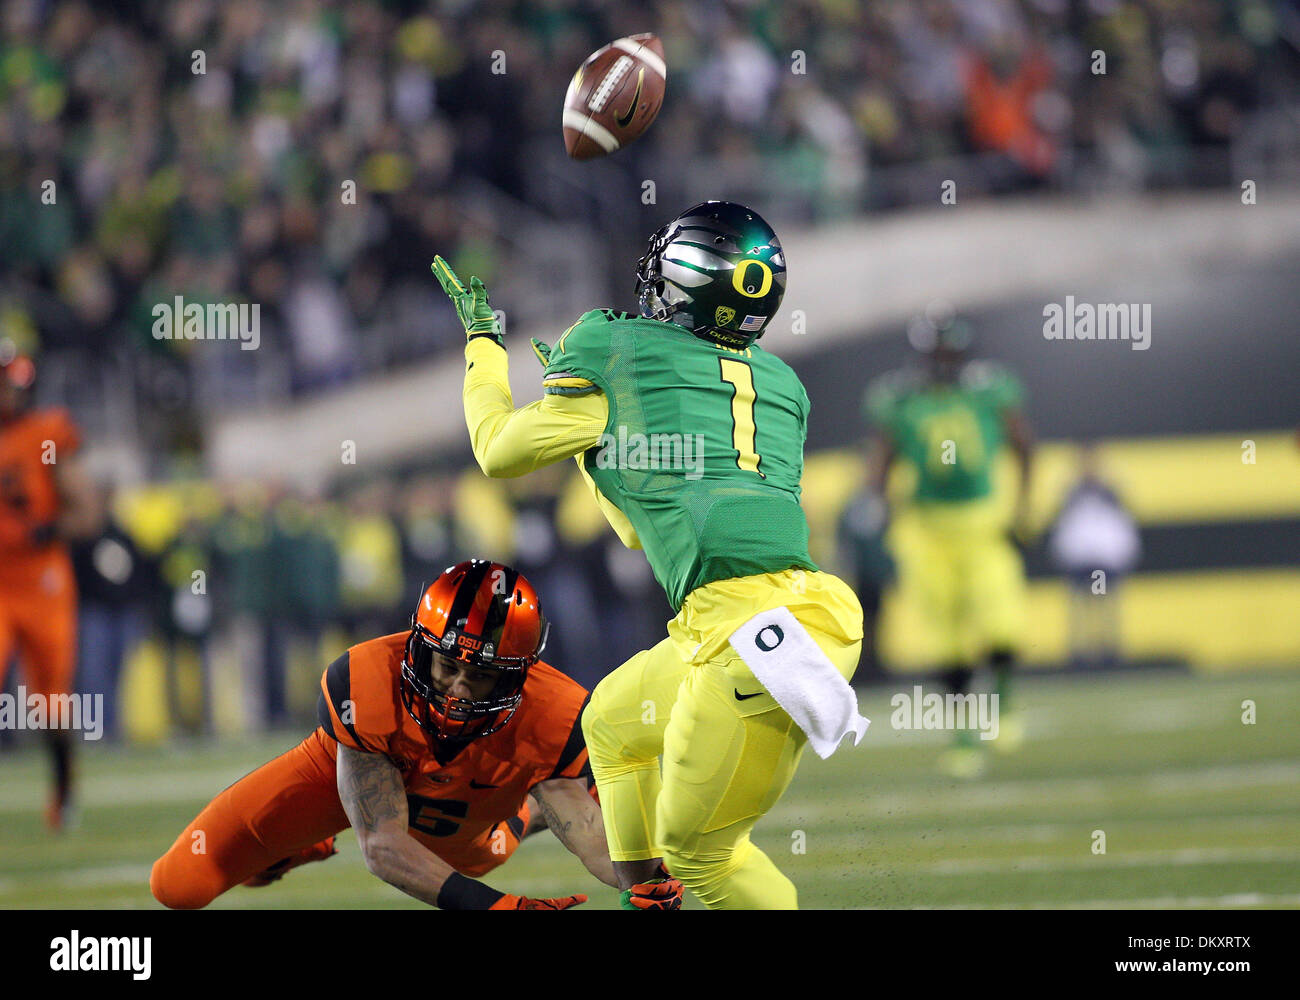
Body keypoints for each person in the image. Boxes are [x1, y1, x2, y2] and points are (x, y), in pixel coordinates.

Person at [435, 200, 868, 910]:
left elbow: (496, 450)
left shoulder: (617, 347)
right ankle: (647, 900)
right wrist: (596, 440)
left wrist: (483, 343)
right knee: (612, 724)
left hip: (755, 635)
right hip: (783, 612)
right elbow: (645, 521)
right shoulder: (782, 386)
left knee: (703, 851)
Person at [151, 560, 674, 910]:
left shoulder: (554, 710)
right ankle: (301, 842)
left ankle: (525, 810)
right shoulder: (367, 679)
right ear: (419, 646)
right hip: (347, 787)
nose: (460, 689)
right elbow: (382, 846)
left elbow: (586, 829)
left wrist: (644, 880)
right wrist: (494, 906)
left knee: (490, 844)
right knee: (177, 886)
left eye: (483, 675)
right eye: (447, 666)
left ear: (519, 674)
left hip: (462, 821)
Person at [864, 307, 1034, 777]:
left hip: (982, 521)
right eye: (936, 351)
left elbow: (1023, 443)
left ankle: (1004, 707)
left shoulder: (988, 388)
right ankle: (963, 737)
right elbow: (882, 455)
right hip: (926, 527)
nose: (943, 360)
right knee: (946, 636)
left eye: (950, 351)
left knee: (1000, 621)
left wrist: (1022, 505)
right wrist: (875, 505)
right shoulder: (900, 398)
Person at [0, 352, 102, 828]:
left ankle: (63, 793)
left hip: (41, 580)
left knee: (49, 700)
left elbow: (85, 511)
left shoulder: (47, 433)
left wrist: (47, 529)